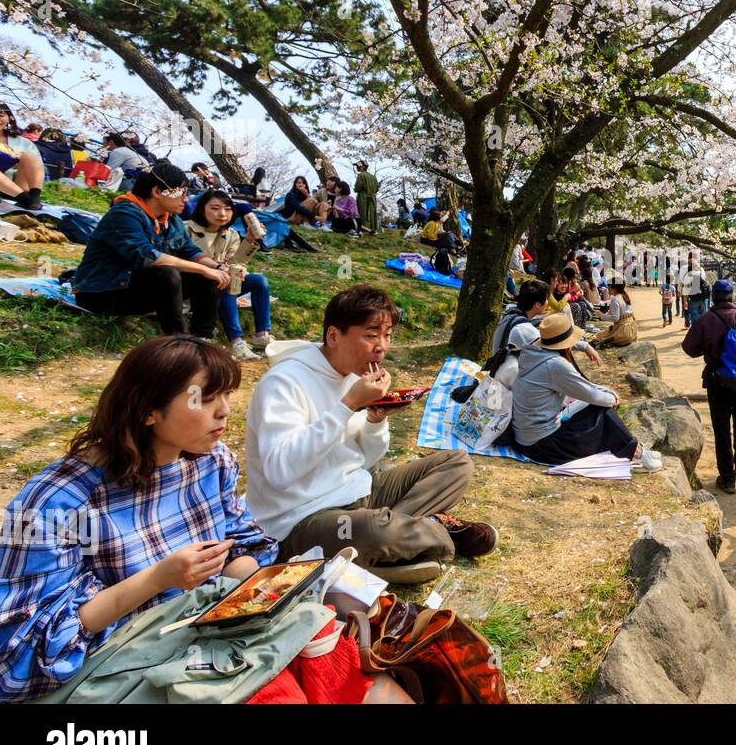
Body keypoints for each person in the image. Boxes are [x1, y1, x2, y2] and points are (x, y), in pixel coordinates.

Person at [0, 336, 278, 701]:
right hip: (112, 670)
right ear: (148, 410)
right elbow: (20, 650)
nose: (224, 411)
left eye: (226, 395)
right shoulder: (57, 502)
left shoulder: (210, 461)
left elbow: (238, 541)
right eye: (204, 399)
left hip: (203, 644)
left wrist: (256, 591)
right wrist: (158, 579)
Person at [245, 286, 492, 581]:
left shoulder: (353, 375)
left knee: (457, 463)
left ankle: (398, 541)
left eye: (387, 335)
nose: (382, 346)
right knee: (375, 530)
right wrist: (347, 405)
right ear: (334, 336)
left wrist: (375, 421)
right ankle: (423, 533)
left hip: (360, 492)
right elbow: (280, 472)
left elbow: (365, 461)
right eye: (371, 335)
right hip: (303, 518)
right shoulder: (284, 383)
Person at [72, 161, 230, 336]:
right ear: (156, 192)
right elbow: (148, 256)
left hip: (138, 289)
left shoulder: (171, 219)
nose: (186, 198)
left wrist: (216, 267)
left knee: (208, 277)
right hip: (102, 293)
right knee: (167, 273)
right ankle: (179, 340)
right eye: (182, 192)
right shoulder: (123, 214)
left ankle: (203, 338)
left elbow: (190, 251)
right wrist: (203, 269)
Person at [509, 310, 663, 470]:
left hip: (525, 441)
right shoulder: (555, 365)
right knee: (603, 412)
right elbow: (593, 395)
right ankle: (637, 453)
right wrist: (613, 398)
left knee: (597, 407)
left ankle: (636, 449)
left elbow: (583, 387)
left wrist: (607, 391)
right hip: (543, 447)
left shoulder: (533, 354)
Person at [682, 279, 736, 495]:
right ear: (732, 296)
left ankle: (727, 477)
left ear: (714, 296)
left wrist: (710, 351)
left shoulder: (705, 319)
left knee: (721, 427)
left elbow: (689, 348)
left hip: (716, 379)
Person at [187, 189, 275, 360]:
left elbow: (234, 263)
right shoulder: (187, 229)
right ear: (202, 208)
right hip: (196, 284)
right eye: (215, 208)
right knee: (227, 281)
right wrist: (222, 271)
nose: (222, 214)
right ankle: (236, 342)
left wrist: (249, 241)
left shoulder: (231, 234)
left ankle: (261, 334)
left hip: (221, 278)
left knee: (258, 281)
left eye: (228, 209)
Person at [489, 279, 601, 388]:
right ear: (537, 304)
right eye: (547, 299)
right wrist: (585, 346)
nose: (548, 303)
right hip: (507, 385)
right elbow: (555, 342)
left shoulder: (510, 314)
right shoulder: (524, 329)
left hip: (499, 371)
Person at [0, 101, 46, 210]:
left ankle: (34, 197)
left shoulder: (21, 142)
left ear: (9, 118)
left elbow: (36, 165)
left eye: (1, 115)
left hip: (17, 188)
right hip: (5, 190)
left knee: (30, 156)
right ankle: (27, 200)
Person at [591, 279, 637, 347]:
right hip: (632, 331)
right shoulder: (624, 295)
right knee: (602, 333)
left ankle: (609, 342)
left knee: (598, 336)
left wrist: (601, 315)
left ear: (613, 288)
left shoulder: (614, 299)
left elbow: (615, 318)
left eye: (609, 286)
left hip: (623, 332)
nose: (608, 288)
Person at [354, 161, 379, 234]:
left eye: (358, 166)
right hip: (372, 198)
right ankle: (372, 229)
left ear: (362, 167)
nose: (357, 168)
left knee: (362, 212)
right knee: (372, 212)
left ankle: (363, 229)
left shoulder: (360, 175)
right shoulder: (373, 177)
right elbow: (377, 187)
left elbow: (357, 188)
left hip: (363, 197)